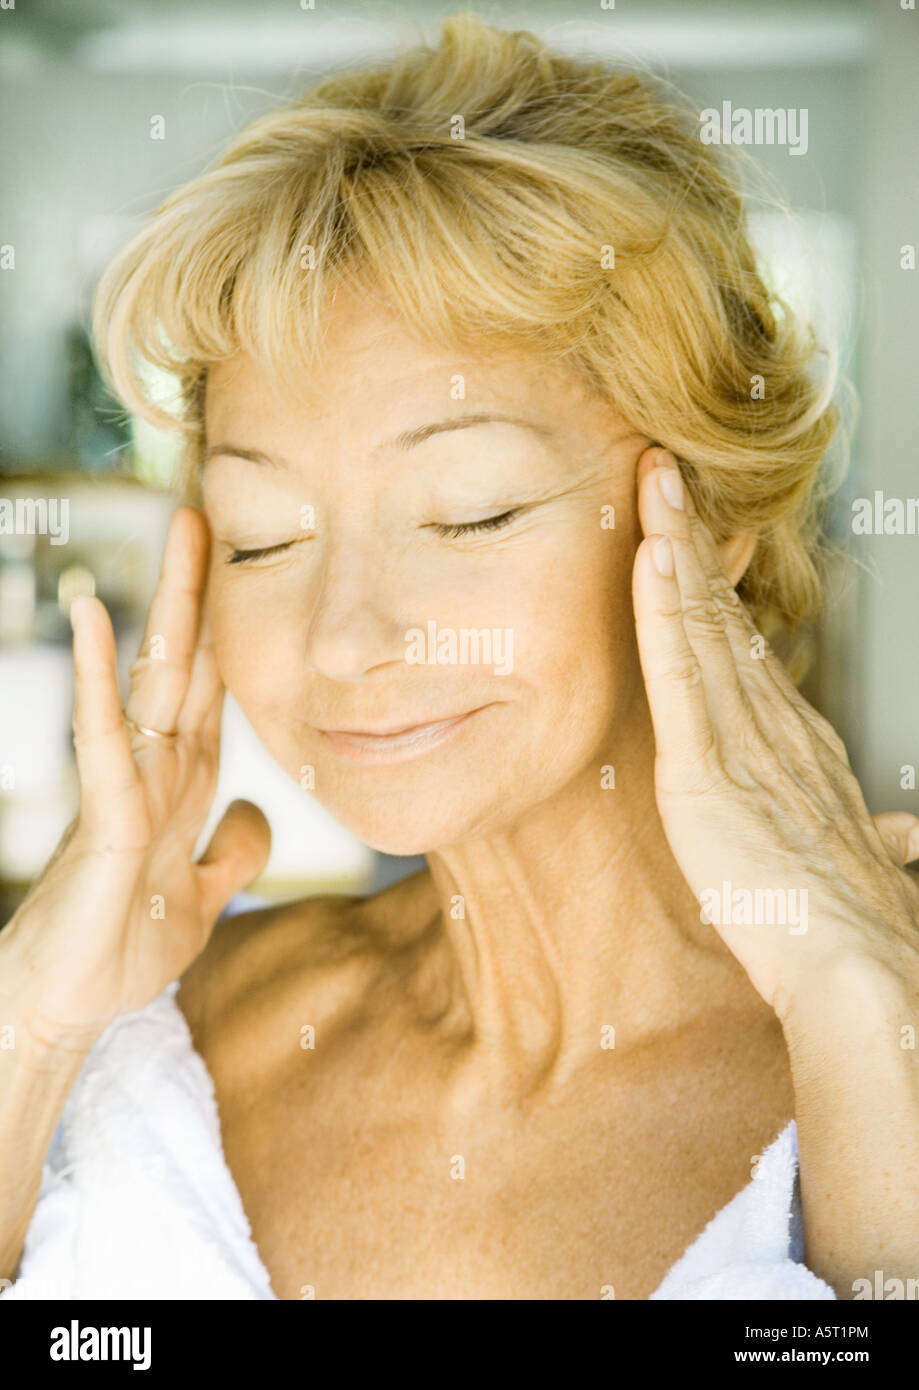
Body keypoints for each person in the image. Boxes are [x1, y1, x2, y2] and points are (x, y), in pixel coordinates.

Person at [2, 13, 918, 1302]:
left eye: (471, 511)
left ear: (717, 520)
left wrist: (869, 1023)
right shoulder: (163, 1031)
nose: (345, 639)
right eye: (265, 538)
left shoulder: (888, 1013)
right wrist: (31, 1019)